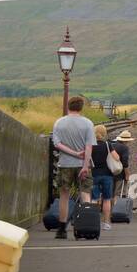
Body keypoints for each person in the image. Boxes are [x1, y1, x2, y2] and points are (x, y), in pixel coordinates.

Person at [51, 95, 94, 240]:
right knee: (85, 194)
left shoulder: (59, 123)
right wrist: (85, 165)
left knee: (64, 195)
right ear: (81, 107)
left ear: (68, 106)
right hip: (83, 164)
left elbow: (57, 144)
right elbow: (88, 147)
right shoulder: (88, 123)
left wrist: (73, 153)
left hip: (65, 164)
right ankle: (85, 227)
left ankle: (62, 230)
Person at [88, 124, 116, 229]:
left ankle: (94, 222)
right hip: (107, 175)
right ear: (104, 133)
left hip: (94, 175)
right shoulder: (108, 145)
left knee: (94, 199)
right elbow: (116, 157)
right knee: (107, 199)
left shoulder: (91, 145)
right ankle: (106, 223)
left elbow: (87, 158)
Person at [110, 129, 133, 204]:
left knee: (110, 191)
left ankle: (107, 209)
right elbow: (125, 162)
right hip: (120, 173)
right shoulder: (124, 148)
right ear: (126, 140)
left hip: (110, 171)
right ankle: (114, 209)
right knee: (117, 192)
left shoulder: (112, 145)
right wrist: (127, 174)